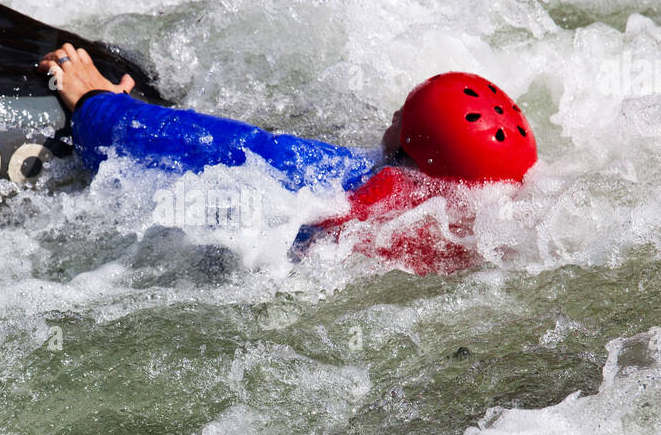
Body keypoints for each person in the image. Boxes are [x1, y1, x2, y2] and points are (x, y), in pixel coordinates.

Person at [38, 43, 537, 275]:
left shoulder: (345, 179)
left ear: (405, 144)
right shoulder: (501, 228)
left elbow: (223, 147)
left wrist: (99, 106)